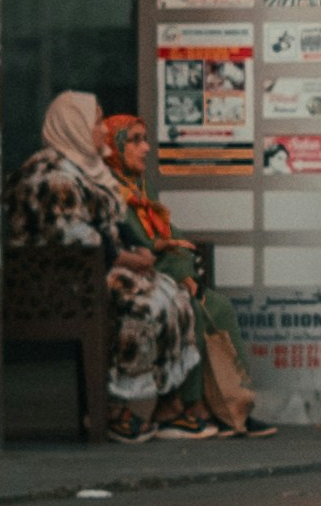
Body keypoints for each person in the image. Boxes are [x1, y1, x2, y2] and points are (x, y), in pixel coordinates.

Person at [9, 94, 225, 436]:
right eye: (96, 122)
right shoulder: (51, 174)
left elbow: (113, 224)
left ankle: (168, 408)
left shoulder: (86, 168)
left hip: (86, 272)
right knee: (144, 303)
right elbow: (75, 236)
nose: (101, 131)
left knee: (173, 294)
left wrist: (138, 252)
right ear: (74, 126)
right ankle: (116, 408)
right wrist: (129, 259)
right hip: (59, 283)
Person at [103, 108, 271, 431]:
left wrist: (186, 272)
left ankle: (233, 406)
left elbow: (170, 234)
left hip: (163, 273)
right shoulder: (111, 191)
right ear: (115, 147)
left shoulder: (140, 186)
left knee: (219, 308)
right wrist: (181, 273)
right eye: (135, 141)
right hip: (137, 280)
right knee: (191, 306)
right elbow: (142, 245)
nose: (146, 148)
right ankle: (189, 406)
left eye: (145, 139)